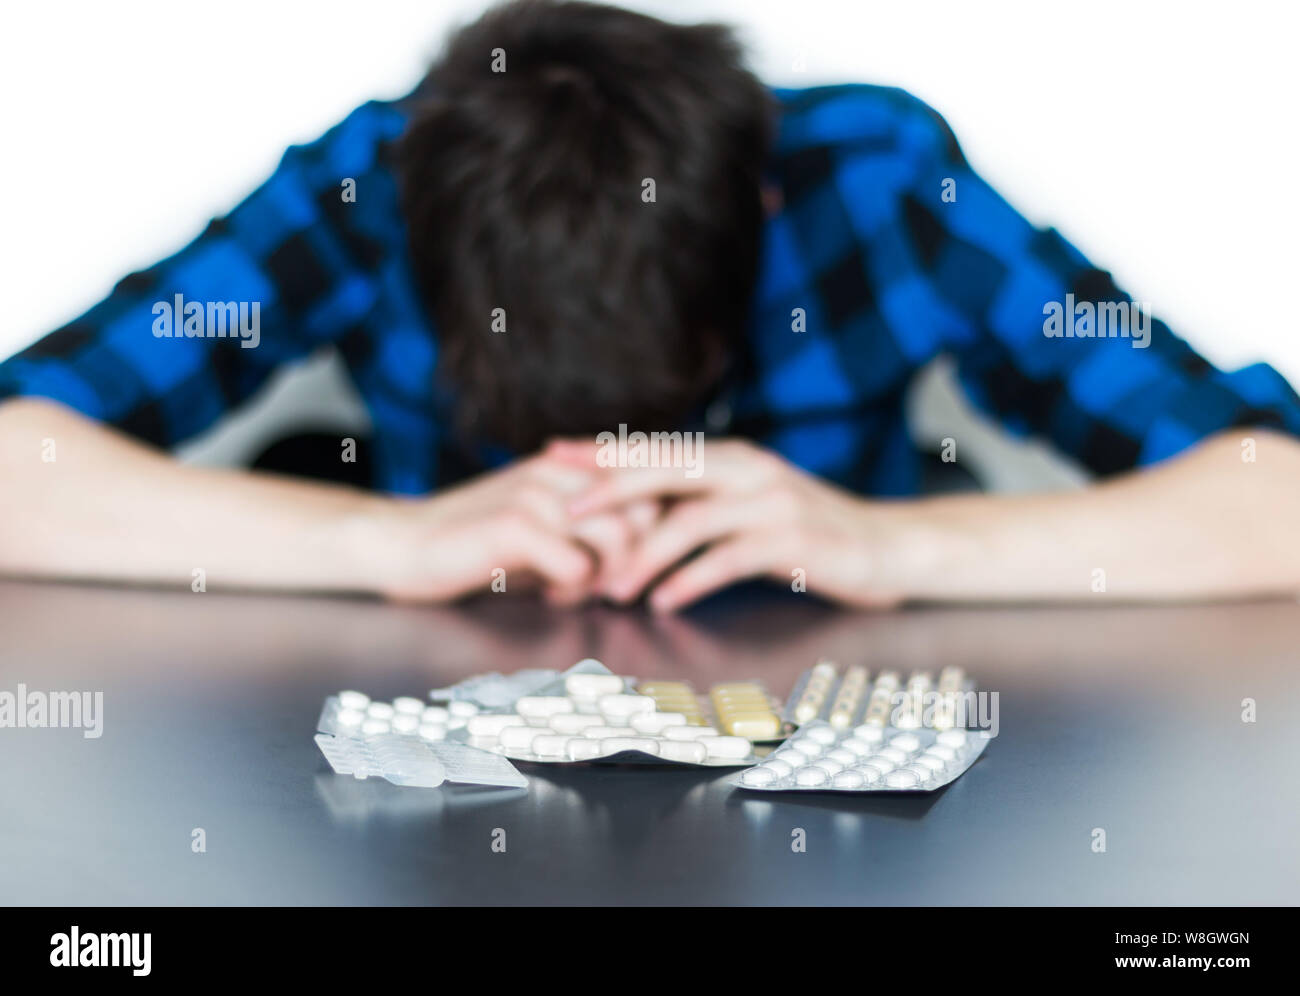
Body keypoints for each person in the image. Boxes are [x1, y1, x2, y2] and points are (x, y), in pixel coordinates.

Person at [3, 0, 1299, 611]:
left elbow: (1273, 495)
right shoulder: (375, 179)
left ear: (765, 222)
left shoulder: (871, 180)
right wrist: (379, 546)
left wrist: (898, 549)